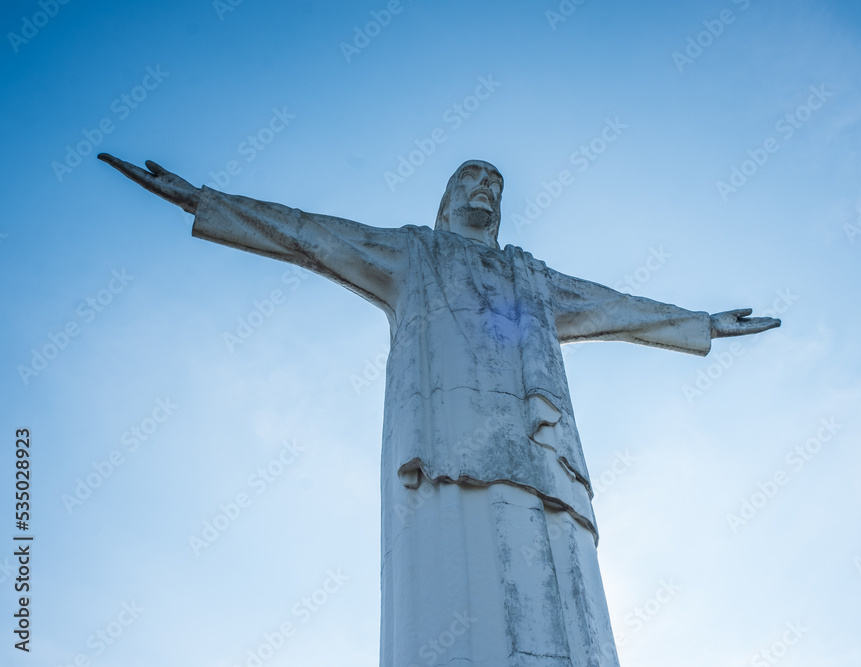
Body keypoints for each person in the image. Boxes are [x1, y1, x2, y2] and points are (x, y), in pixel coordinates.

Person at [99, 153, 780, 666]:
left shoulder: (533, 277)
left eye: (496, 186)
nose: (485, 190)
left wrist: (702, 323)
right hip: (445, 442)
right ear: (446, 199)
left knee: (561, 574)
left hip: (540, 452)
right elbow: (308, 234)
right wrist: (203, 200)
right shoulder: (414, 253)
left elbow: (614, 307)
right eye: (471, 180)